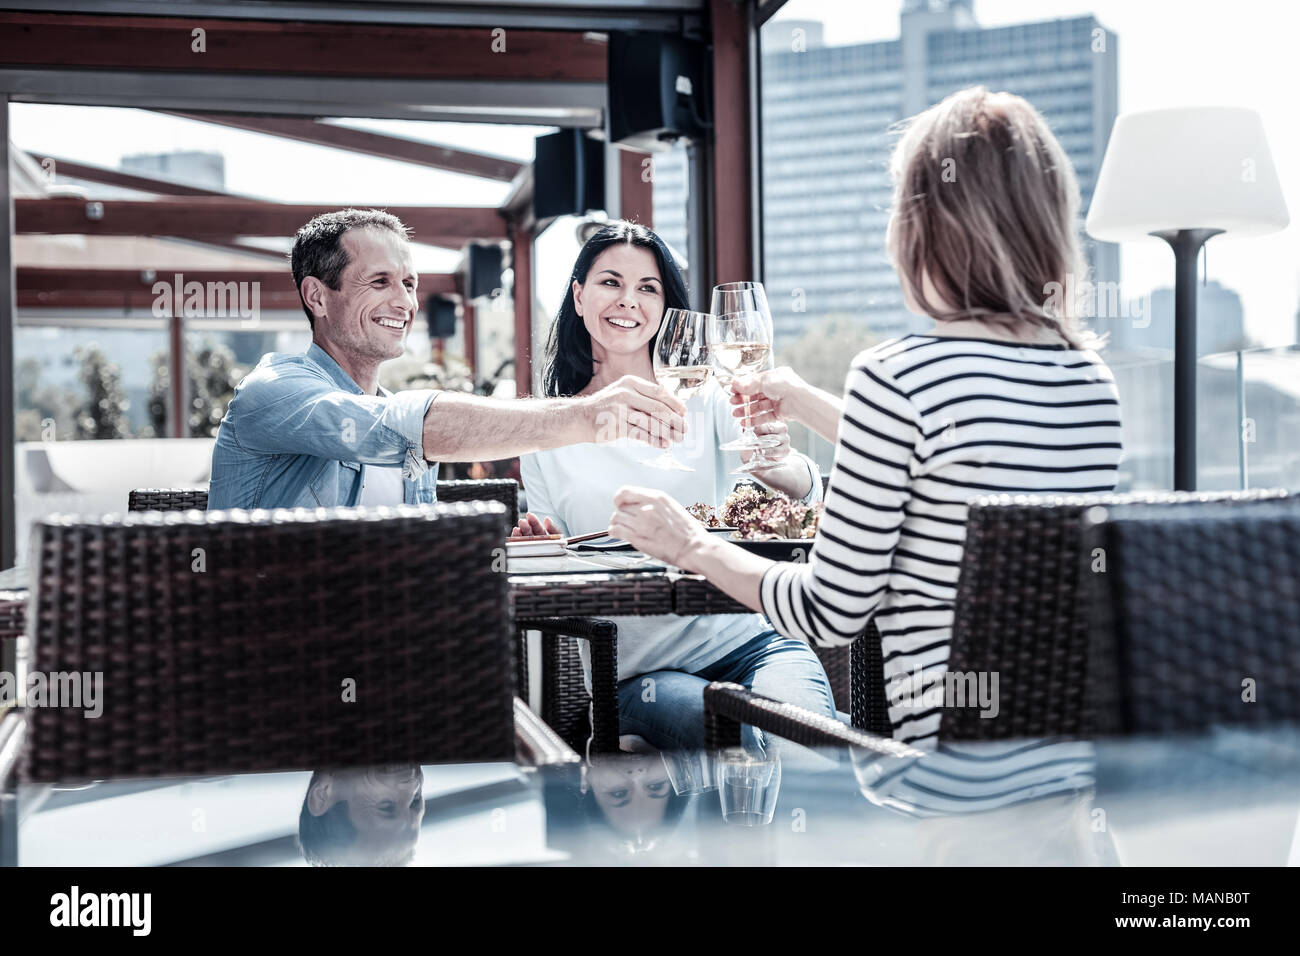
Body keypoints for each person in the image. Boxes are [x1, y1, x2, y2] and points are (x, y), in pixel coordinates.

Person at [609, 88, 1124, 812]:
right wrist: (805, 400)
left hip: (937, 798)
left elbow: (827, 612)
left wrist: (690, 543)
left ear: (923, 226)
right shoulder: (1087, 380)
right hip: (1075, 789)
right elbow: (958, 460)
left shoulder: (897, 376)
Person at [513, 220, 837, 762]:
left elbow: (798, 494)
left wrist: (780, 461)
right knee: (749, 747)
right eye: (610, 282)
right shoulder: (548, 428)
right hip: (640, 672)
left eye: (648, 287)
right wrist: (539, 541)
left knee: (804, 750)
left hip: (751, 640)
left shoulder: (710, 398)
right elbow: (559, 556)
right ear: (578, 295)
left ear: (667, 306)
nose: (628, 301)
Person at [207, 209, 687, 510]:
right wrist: (589, 415)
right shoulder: (274, 390)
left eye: (409, 283)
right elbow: (406, 428)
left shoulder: (403, 421)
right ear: (317, 295)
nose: (404, 302)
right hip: (272, 658)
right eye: (379, 282)